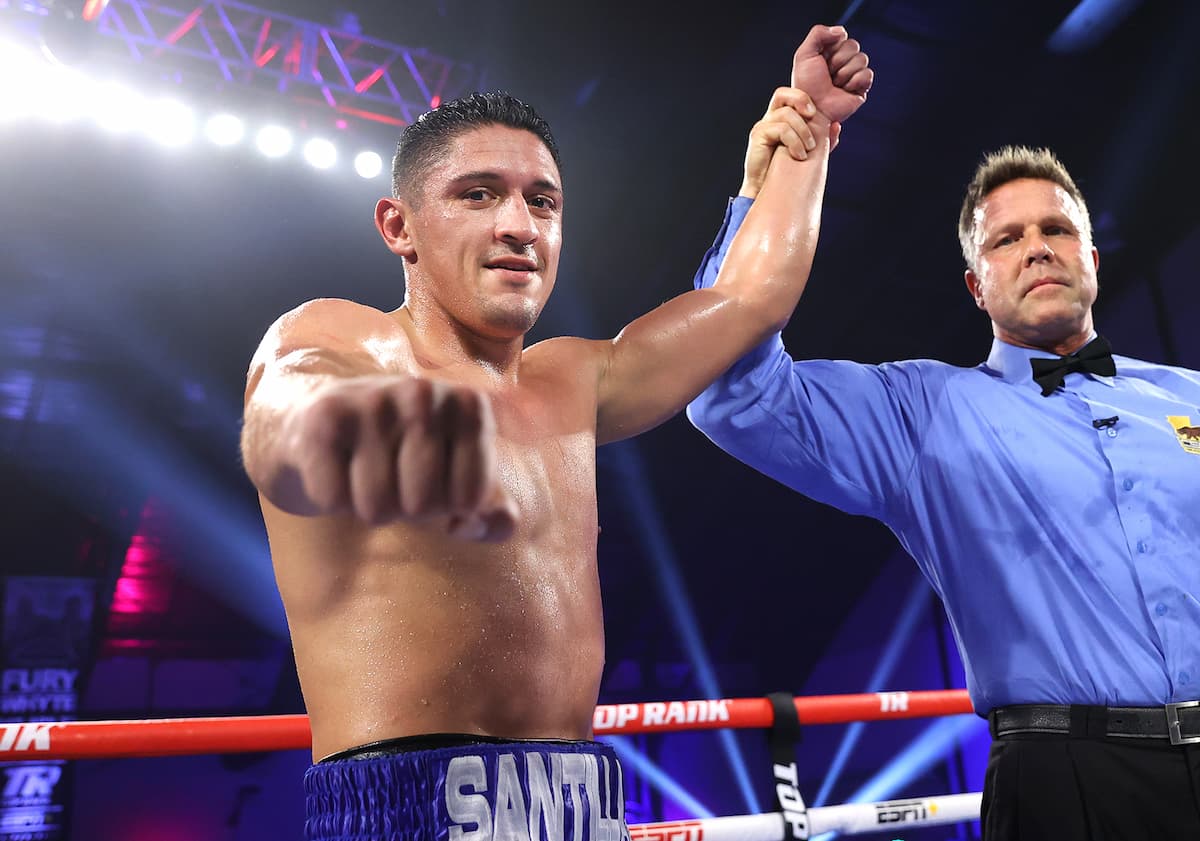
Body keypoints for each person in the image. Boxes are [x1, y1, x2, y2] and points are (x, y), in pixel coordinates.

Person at [239, 25, 873, 841]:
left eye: (542, 201)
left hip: (575, 798)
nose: (520, 225)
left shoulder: (576, 378)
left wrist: (805, 144)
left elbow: (750, 300)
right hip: (407, 800)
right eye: (478, 195)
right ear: (399, 226)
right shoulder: (343, 336)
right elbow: (291, 404)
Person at [686, 143, 1200, 837]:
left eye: (1056, 229)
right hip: (1067, 779)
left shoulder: (1187, 395)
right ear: (975, 286)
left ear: (1092, 258)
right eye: (1006, 239)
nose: (1038, 248)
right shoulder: (923, 412)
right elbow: (727, 390)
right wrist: (763, 188)